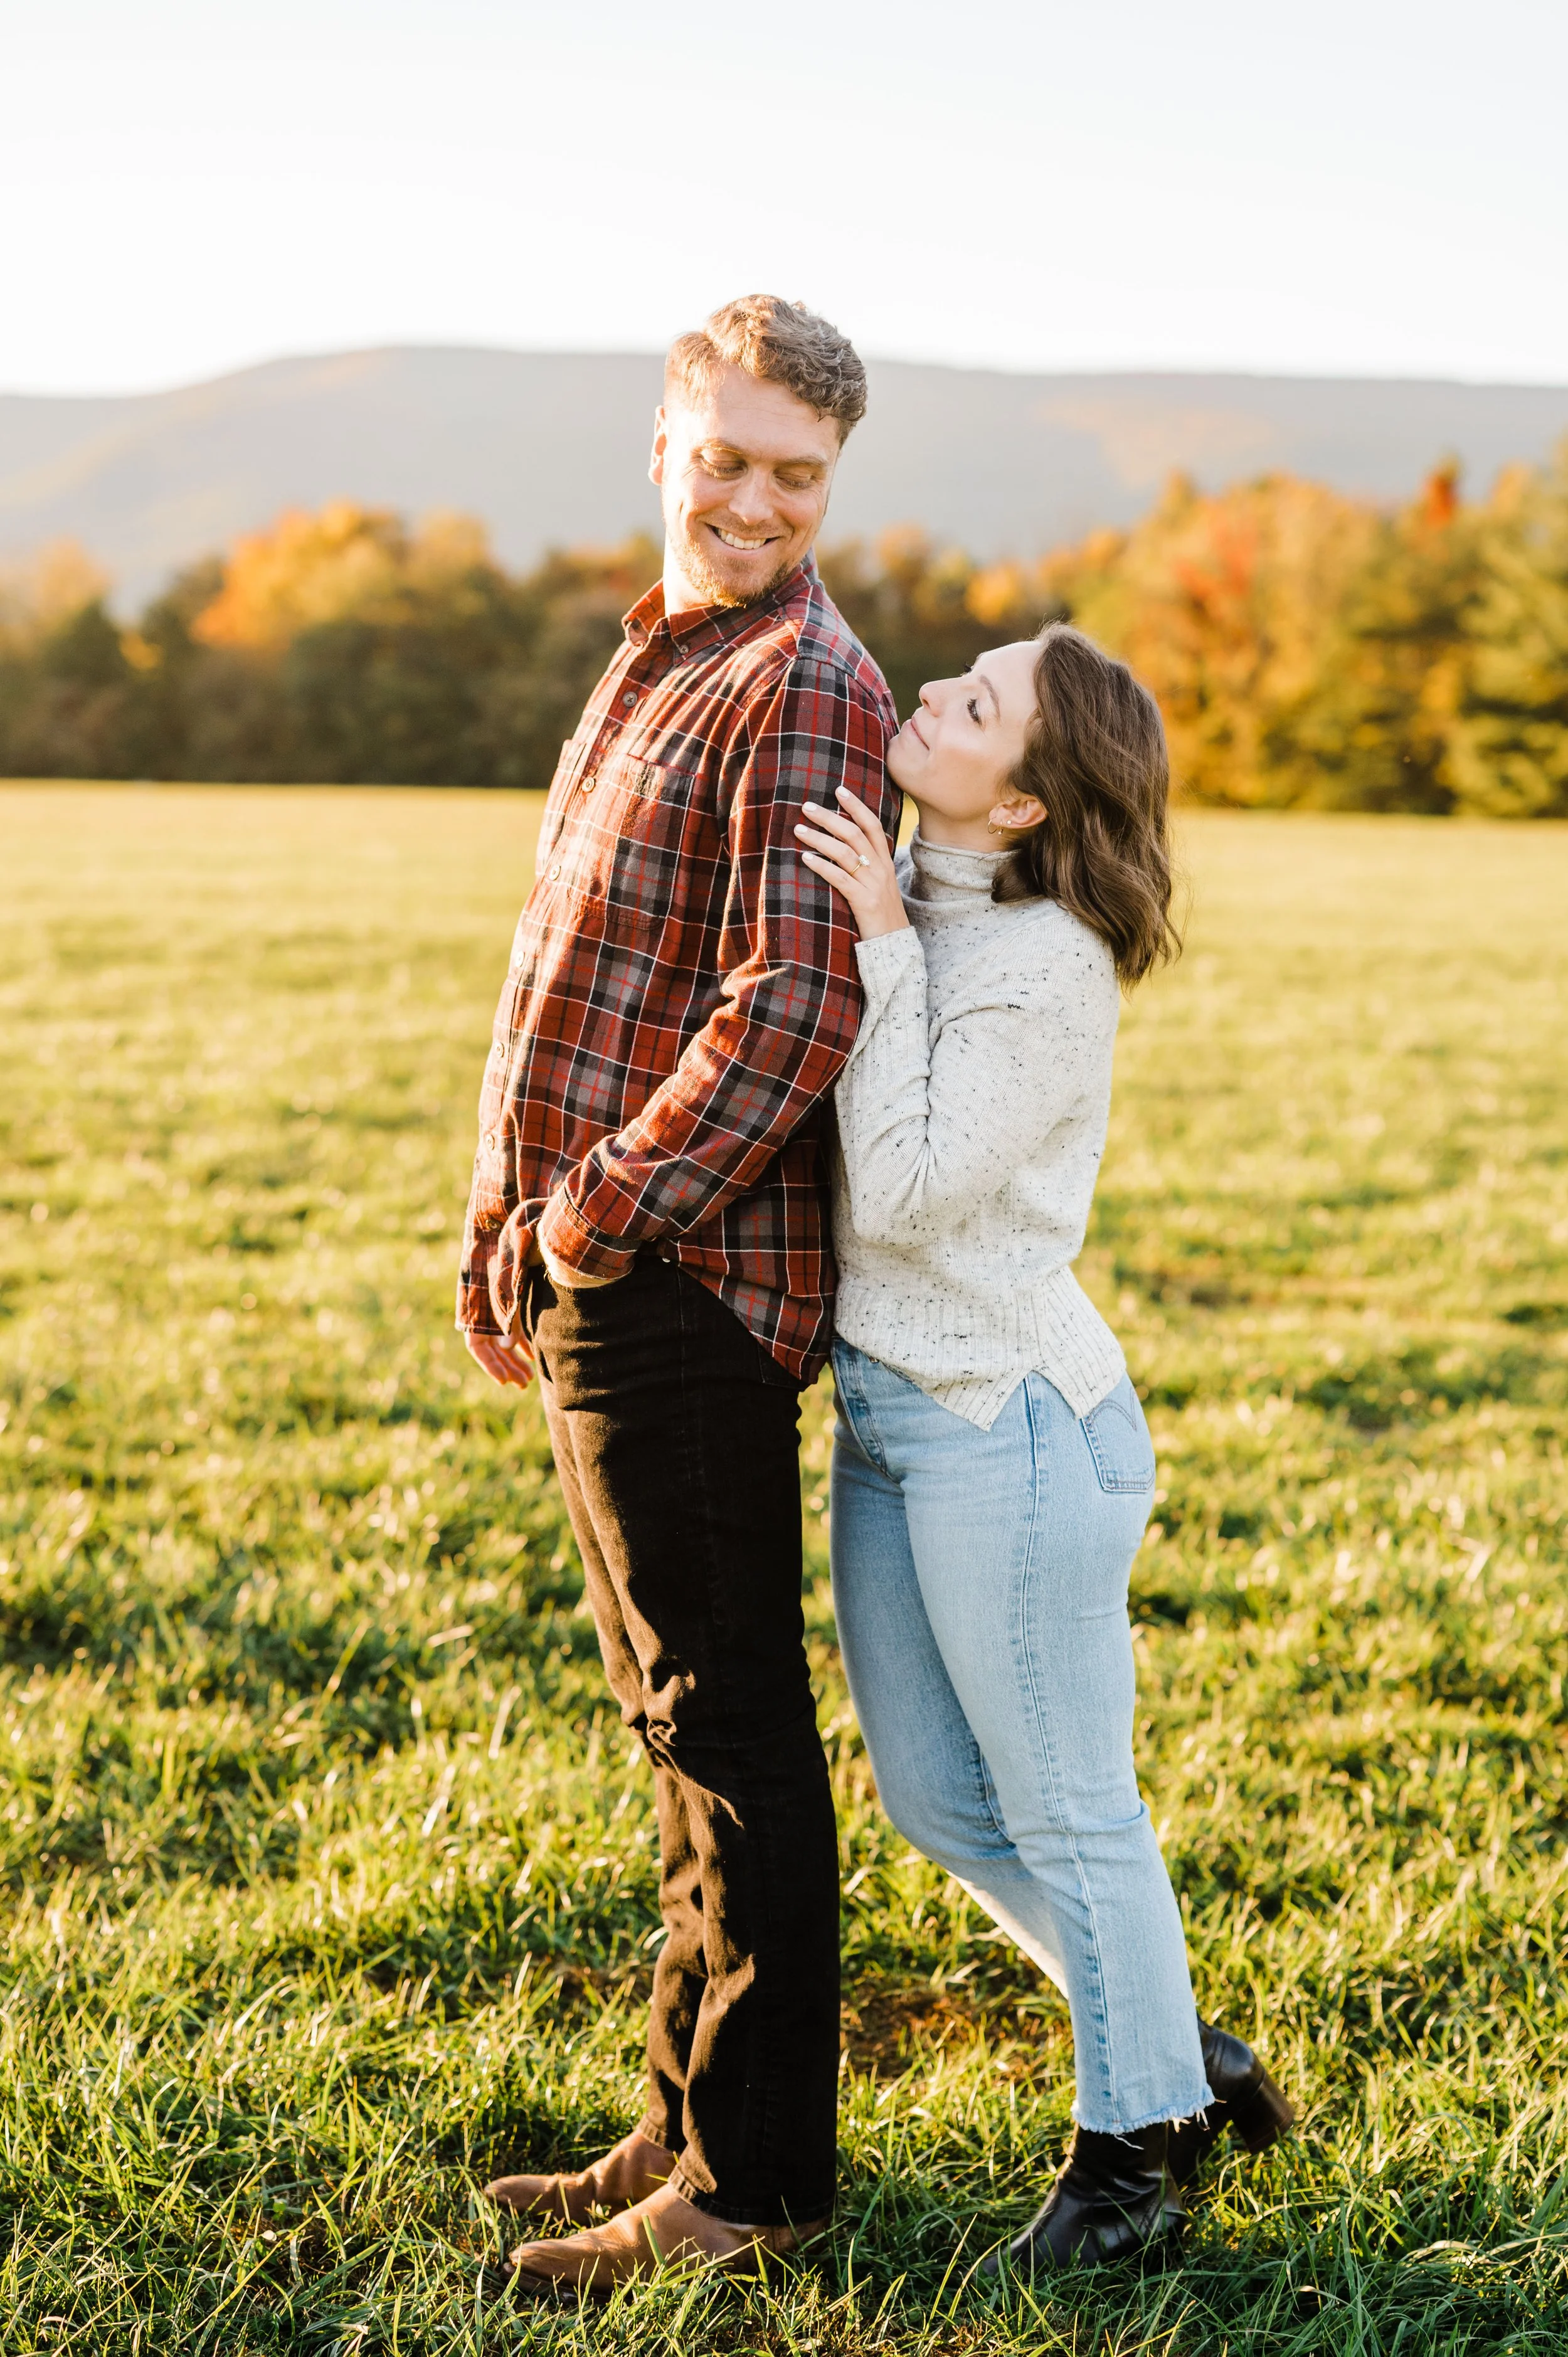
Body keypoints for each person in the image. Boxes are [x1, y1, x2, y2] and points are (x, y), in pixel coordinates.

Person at [456, 294, 900, 2300]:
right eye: (720, 458)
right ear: (662, 442)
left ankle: (756, 2185)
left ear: (829, 483)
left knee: (725, 1728)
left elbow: (791, 1000)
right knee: (669, 1716)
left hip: (690, 1284)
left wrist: (599, 1216)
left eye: (791, 475)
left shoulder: (809, 684)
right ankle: (678, 2114)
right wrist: (506, 1217)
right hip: (601, 1261)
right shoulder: (660, 653)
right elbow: (571, 972)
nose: (749, 502)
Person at [793, 623, 1292, 2273]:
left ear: (1017, 804)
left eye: (974, 704)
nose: (929, 696)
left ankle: (1130, 2163)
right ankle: (1166, 2042)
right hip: (890, 1405)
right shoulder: (927, 883)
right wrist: (877, 917)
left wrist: (871, 939)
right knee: (941, 1800)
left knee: (1074, 1808)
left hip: (1006, 1425)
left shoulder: (1041, 961)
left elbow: (914, 1186)